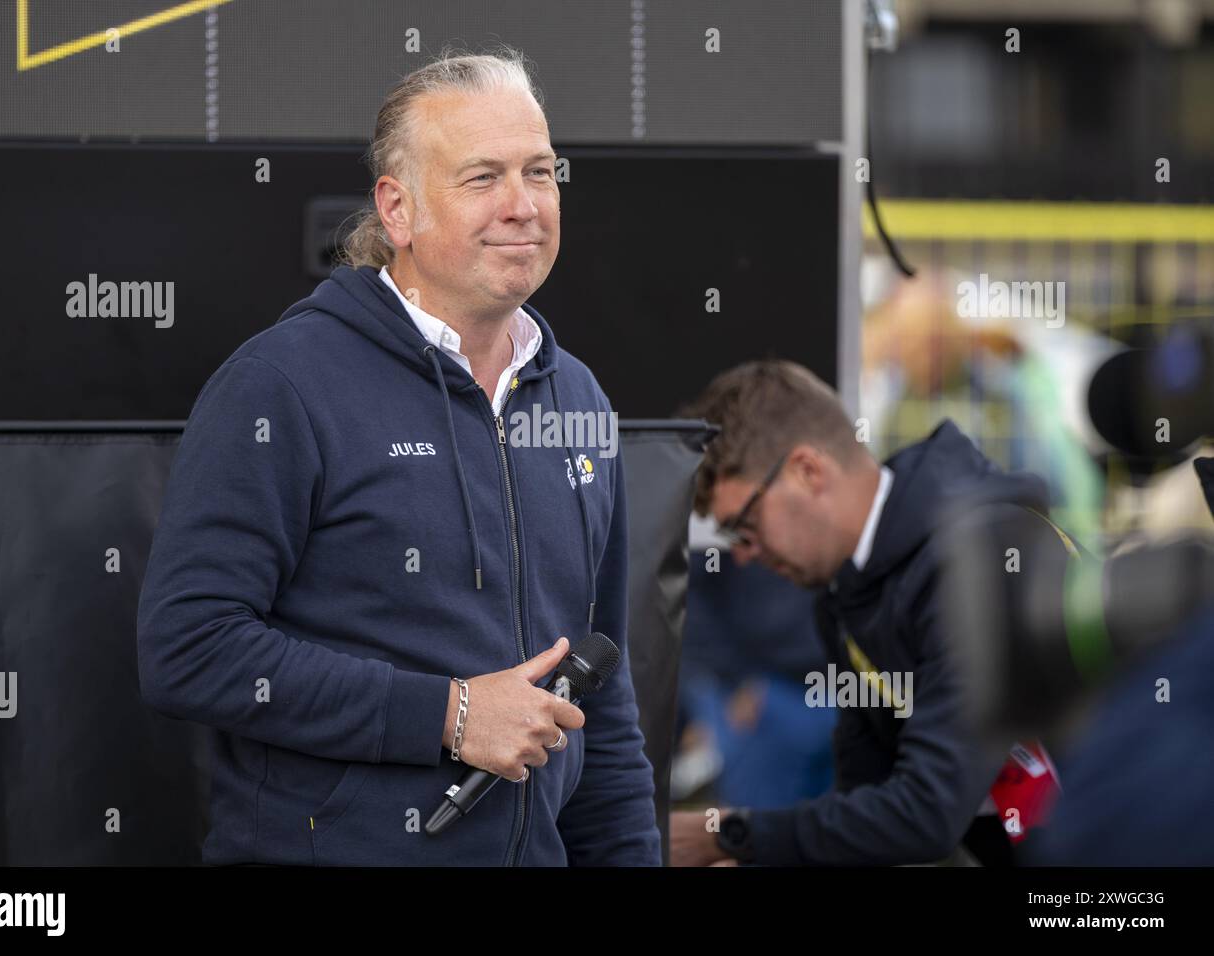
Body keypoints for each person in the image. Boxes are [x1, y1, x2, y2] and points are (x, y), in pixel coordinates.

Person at [136, 49, 660, 866]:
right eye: (483, 177)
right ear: (398, 209)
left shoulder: (581, 402)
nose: (523, 205)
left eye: (541, 171)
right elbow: (187, 648)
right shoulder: (280, 385)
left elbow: (604, 698)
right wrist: (449, 716)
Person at [670, 359, 1063, 865]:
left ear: (808, 471)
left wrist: (727, 836)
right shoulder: (847, 595)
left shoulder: (981, 558)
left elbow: (927, 812)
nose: (742, 554)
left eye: (743, 525)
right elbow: (866, 812)